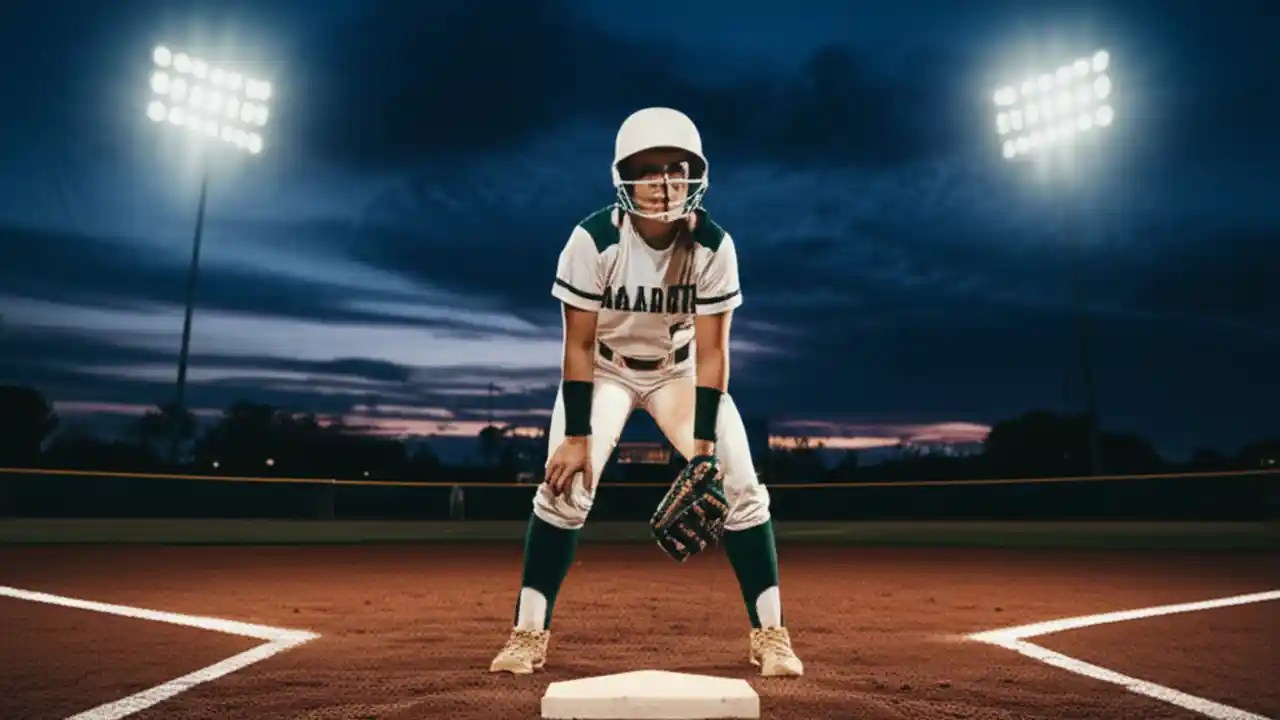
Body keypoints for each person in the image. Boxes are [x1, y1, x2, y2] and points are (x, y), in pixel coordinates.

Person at [488, 107, 803, 677]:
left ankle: (771, 636)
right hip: (605, 369)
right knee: (565, 486)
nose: (663, 184)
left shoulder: (713, 245)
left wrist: (703, 450)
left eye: (676, 170)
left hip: (679, 374)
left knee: (740, 483)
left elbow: (712, 354)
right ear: (623, 177)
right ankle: (527, 634)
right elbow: (578, 347)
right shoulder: (592, 240)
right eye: (648, 169)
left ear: (694, 176)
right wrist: (578, 437)